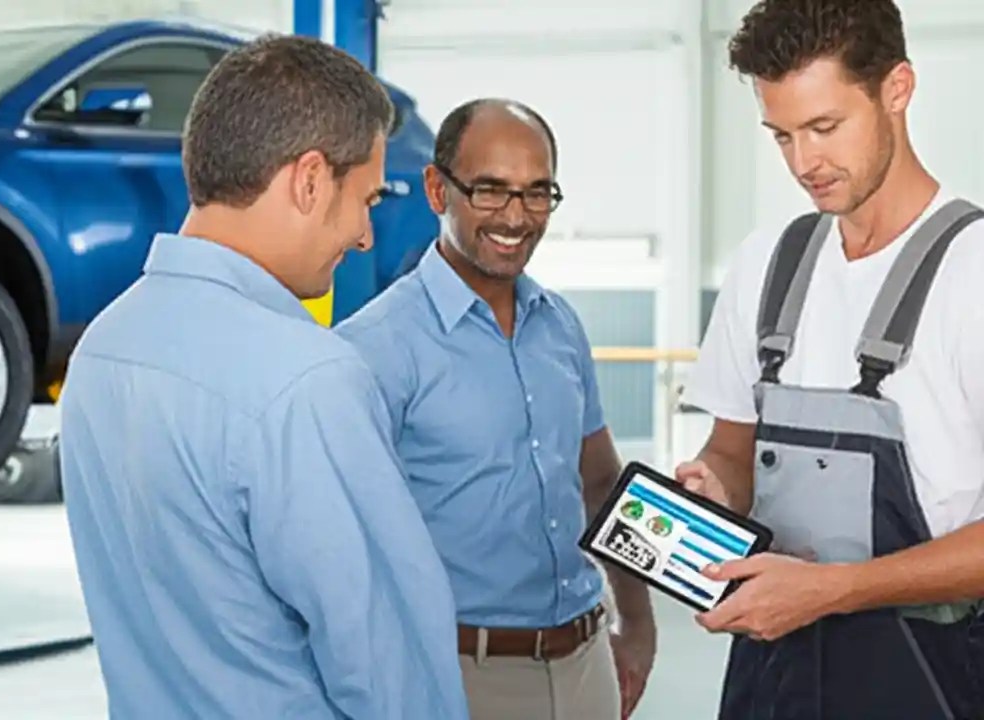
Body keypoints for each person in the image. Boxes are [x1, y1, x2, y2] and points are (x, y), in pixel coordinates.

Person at [57, 34, 469, 720]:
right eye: (366, 199)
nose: (366, 235)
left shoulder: (103, 349)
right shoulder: (307, 377)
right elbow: (387, 664)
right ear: (309, 179)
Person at [676, 1, 984, 718]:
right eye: (781, 135)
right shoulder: (767, 266)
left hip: (934, 682)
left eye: (825, 127)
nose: (804, 162)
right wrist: (712, 489)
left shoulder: (974, 274)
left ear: (897, 89)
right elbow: (731, 451)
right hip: (772, 676)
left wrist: (835, 589)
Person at [336, 98, 657, 720]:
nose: (516, 217)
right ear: (437, 190)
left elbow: (599, 485)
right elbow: (344, 549)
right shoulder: (373, 349)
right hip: (459, 679)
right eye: (490, 191)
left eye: (537, 193)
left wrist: (637, 624)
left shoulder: (561, 325)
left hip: (587, 662)